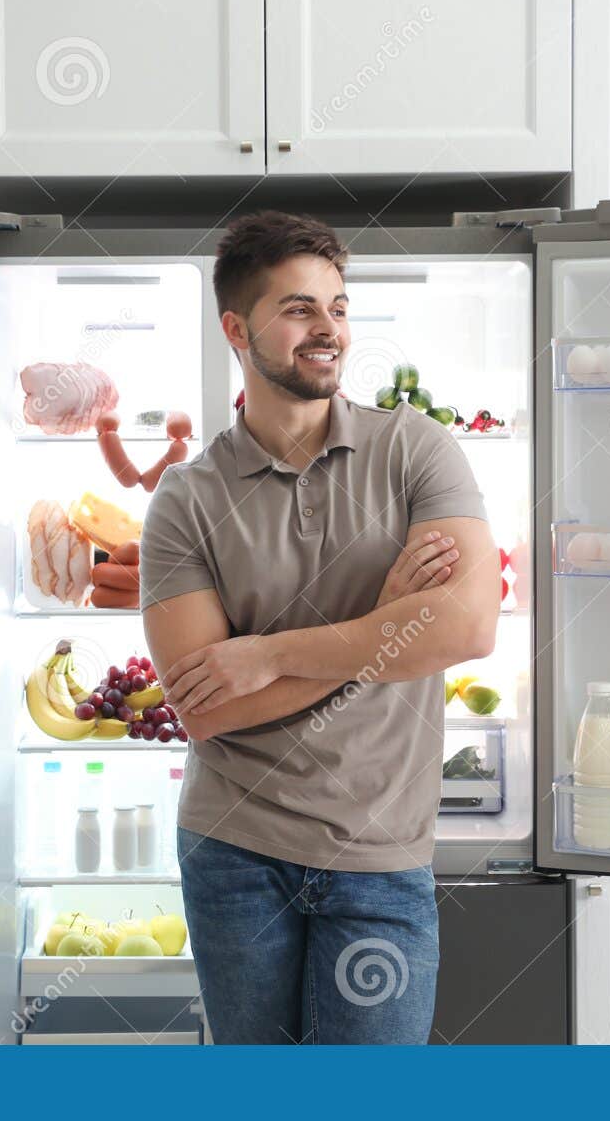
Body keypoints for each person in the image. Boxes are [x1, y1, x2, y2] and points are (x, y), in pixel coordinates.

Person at [139, 211, 498, 1044]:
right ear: (237, 329)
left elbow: (469, 624)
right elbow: (207, 708)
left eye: (337, 308)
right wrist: (388, 625)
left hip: (382, 853)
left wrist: (267, 655)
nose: (327, 329)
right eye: (298, 309)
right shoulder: (186, 498)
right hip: (235, 849)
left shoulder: (415, 449)